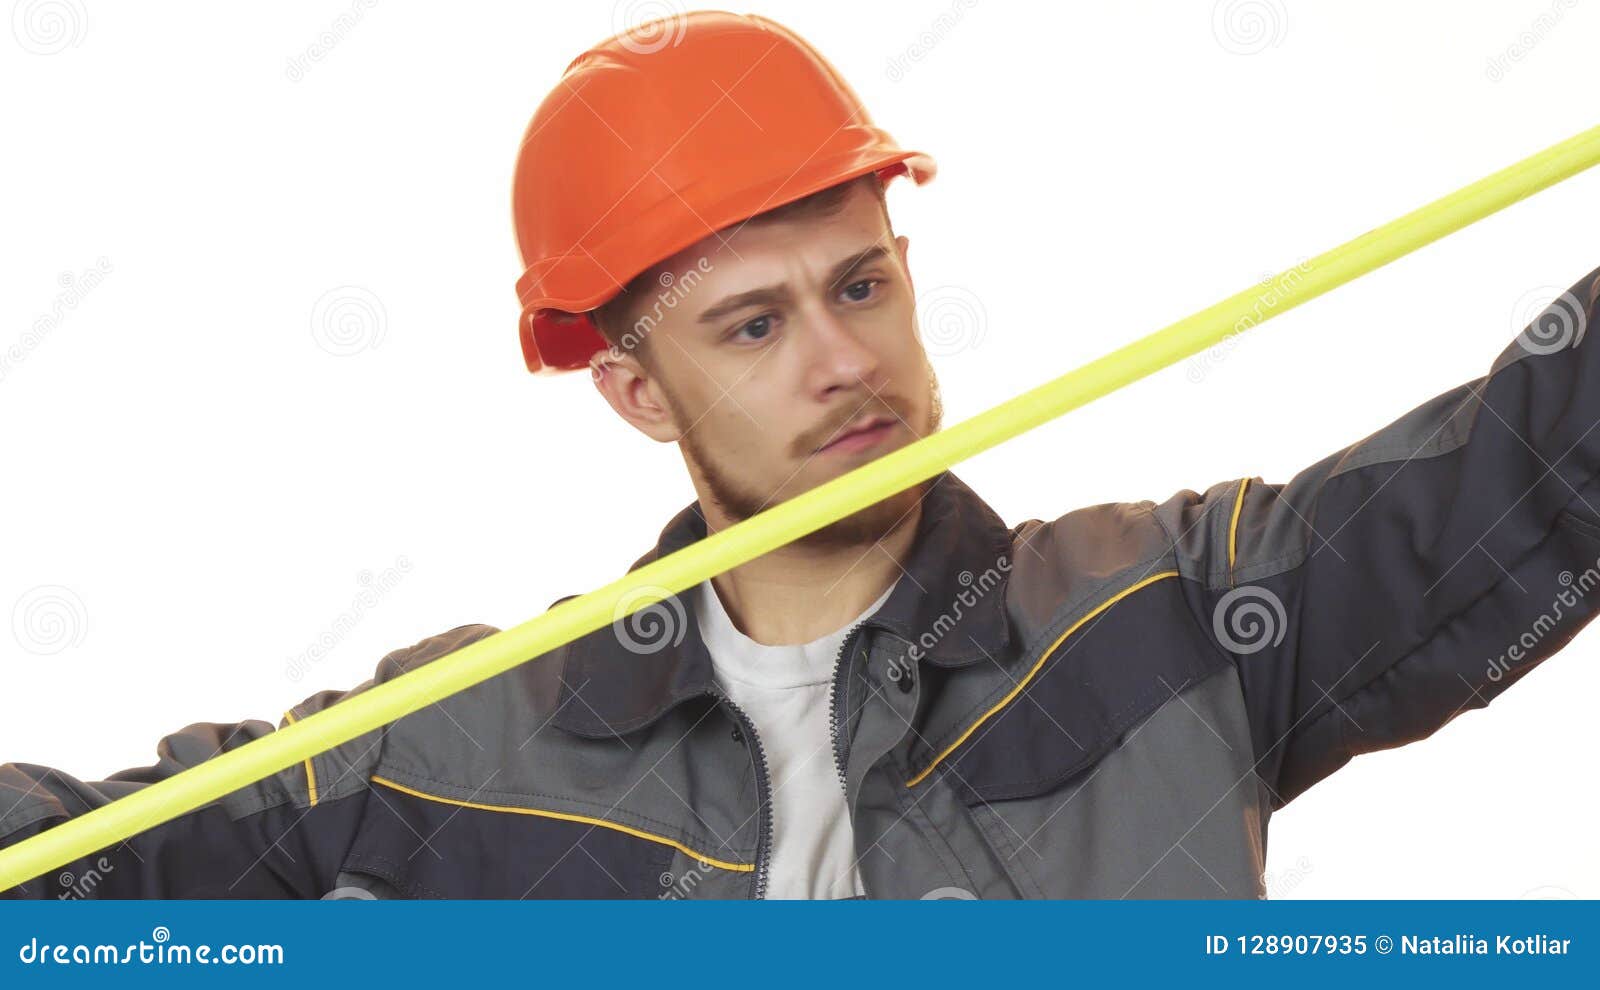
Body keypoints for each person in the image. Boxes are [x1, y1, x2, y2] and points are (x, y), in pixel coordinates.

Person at [5, 10, 1600, 900]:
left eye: (862, 284)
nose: (846, 361)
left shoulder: (1175, 616)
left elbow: (1538, 471)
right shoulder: (463, 742)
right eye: (753, 328)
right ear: (637, 394)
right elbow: (81, 857)